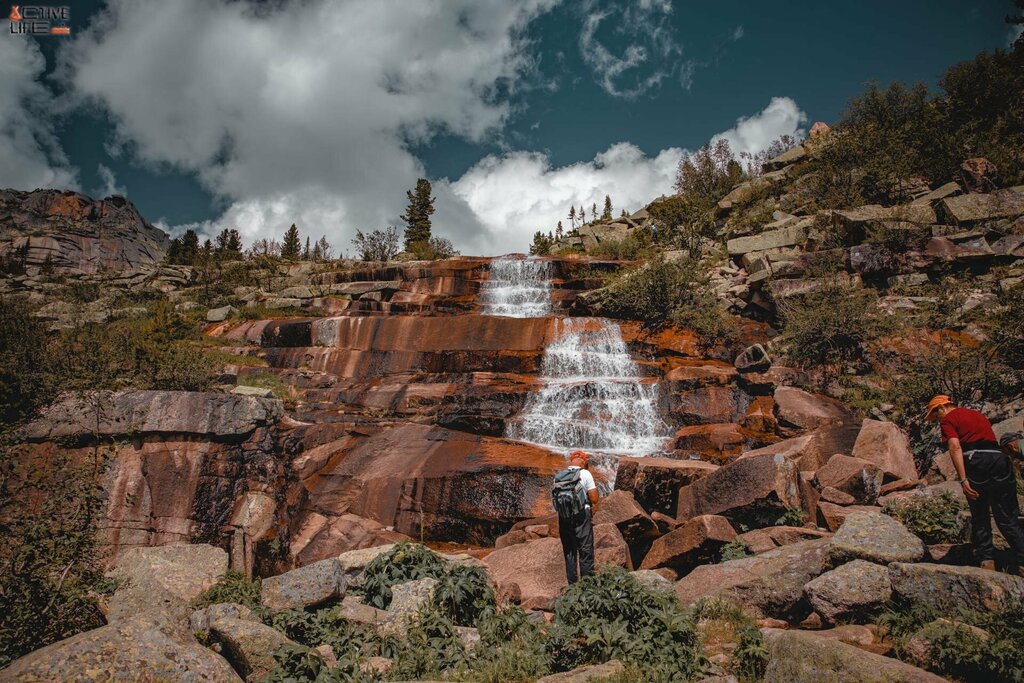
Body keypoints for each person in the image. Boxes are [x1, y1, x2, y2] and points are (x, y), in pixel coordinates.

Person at [926, 395, 1024, 576]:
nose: (937, 419)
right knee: (1007, 517)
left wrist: (963, 480)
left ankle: (987, 562)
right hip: (1000, 460)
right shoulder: (977, 414)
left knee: (980, 514)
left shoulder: (948, 419)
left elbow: (955, 447)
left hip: (977, 462)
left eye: (935, 415)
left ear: (941, 408)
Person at [551, 450, 600, 584]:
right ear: (583, 461)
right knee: (585, 551)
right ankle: (587, 587)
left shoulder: (559, 476)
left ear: (571, 461)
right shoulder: (585, 473)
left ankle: (572, 587)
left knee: (569, 552)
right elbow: (594, 499)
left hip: (564, 517)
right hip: (581, 516)